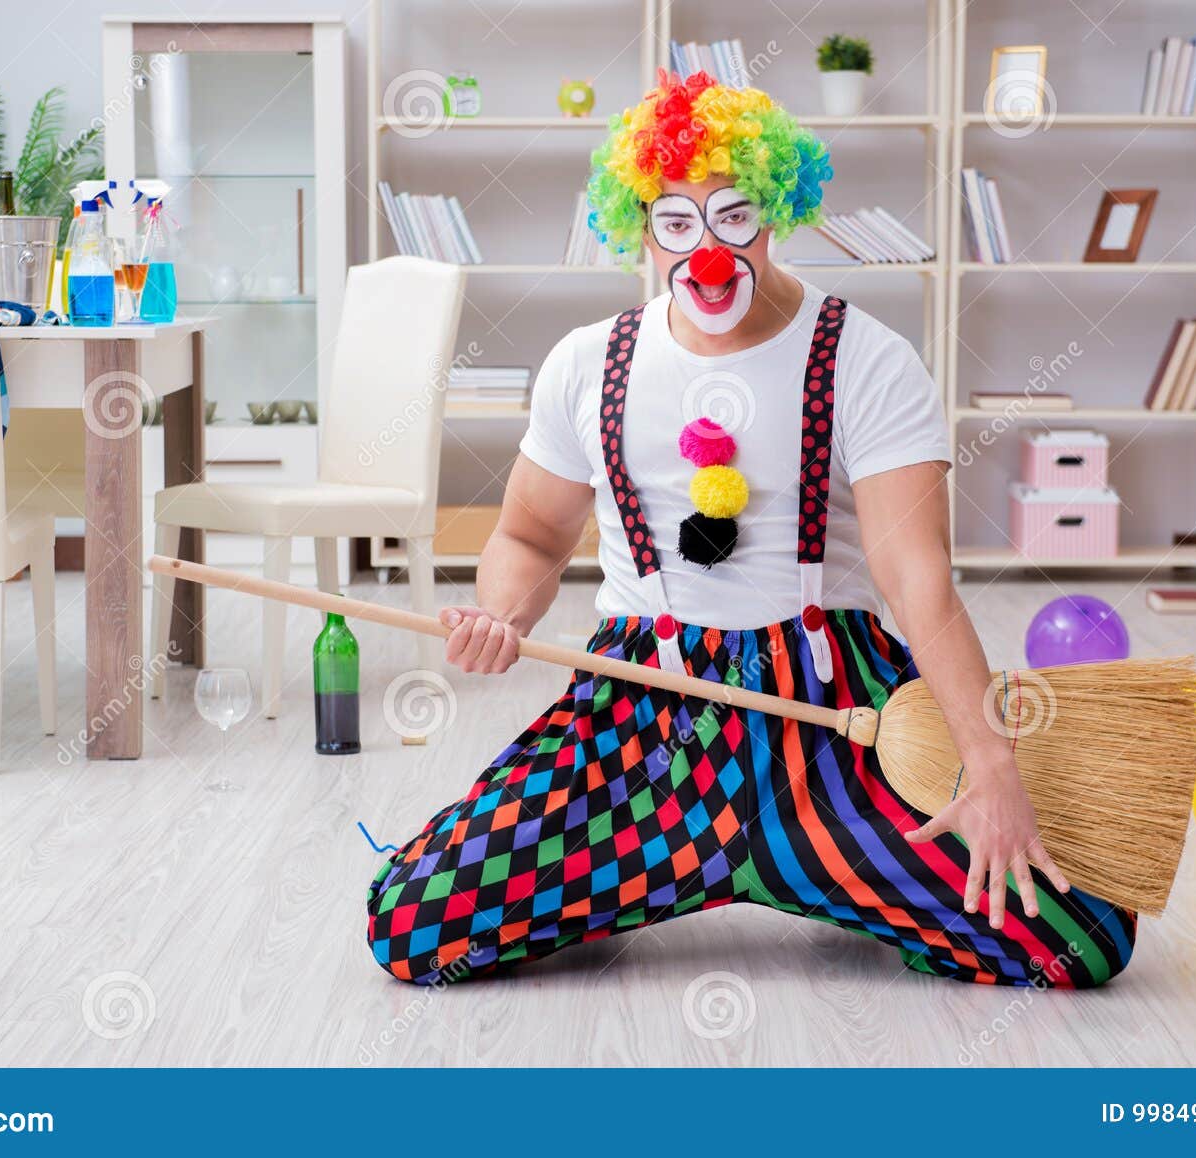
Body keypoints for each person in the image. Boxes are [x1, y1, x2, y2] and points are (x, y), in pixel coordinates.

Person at [366, 72, 1134, 989]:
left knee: (1083, 938)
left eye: (732, 217)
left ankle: (829, 872)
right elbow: (530, 538)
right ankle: (640, 877)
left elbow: (917, 580)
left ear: (774, 212)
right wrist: (502, 614)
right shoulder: (586, 363)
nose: (708, 252)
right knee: (411, 924)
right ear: (642, 228)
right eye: (676, 223)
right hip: (637, 720)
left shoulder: (864, 357)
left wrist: (987, 762)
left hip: (833, 725)